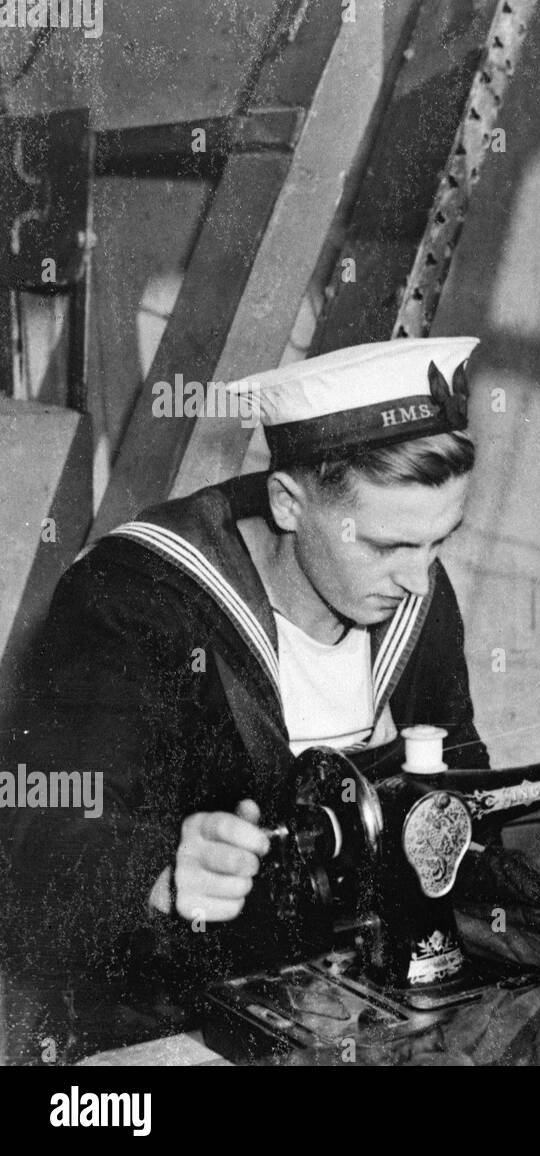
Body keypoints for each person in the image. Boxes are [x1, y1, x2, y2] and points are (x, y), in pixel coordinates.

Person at [0, 338, 490, 1060]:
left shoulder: (414, 597)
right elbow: (43, 828)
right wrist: (160, 873)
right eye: (388, 547)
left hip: (344, 994)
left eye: (439, 542)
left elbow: (462, 774)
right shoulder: (138, 602)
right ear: (289, 502)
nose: (420, 578)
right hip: (165, 1013)